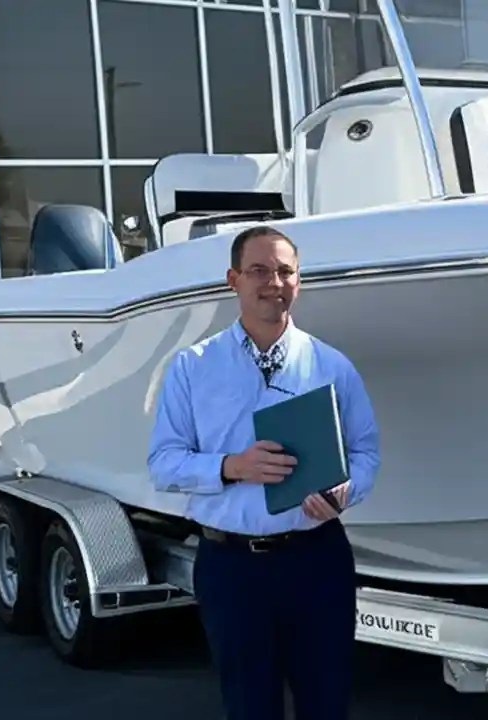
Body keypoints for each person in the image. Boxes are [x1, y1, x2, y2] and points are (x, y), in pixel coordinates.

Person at [146, 224, 380, 720]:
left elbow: (366, 455)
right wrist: (232, 467)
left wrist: (344, 492)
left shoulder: (331, 365)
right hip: (233, 569)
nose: (273, 282)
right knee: (250, 705)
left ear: (298, 281)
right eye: (259, 271)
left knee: (327, 702)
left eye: (285, 271)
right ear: (233, 279)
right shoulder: (192, 367)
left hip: (317, 561)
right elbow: (163, 463)